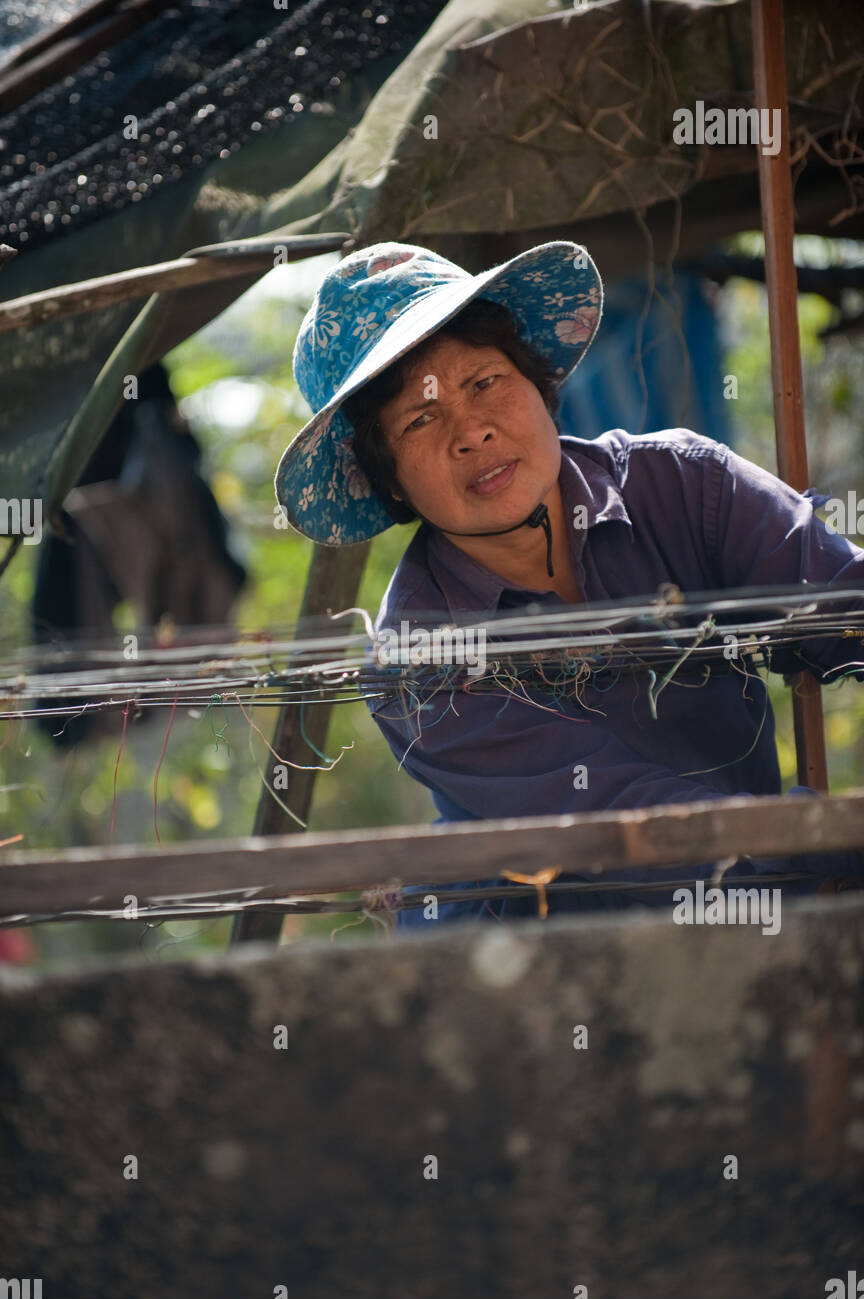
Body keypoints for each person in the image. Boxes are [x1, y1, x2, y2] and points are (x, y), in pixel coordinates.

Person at [274, 240, 864, 927]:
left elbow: (844, 601)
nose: (472, 433)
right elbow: (634, 832)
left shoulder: (688, 487)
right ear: (391, 481)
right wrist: (829, 849)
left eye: (484, 382)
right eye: (420, 420)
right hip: (535, 983)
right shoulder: (416, 659)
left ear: (538, 383)